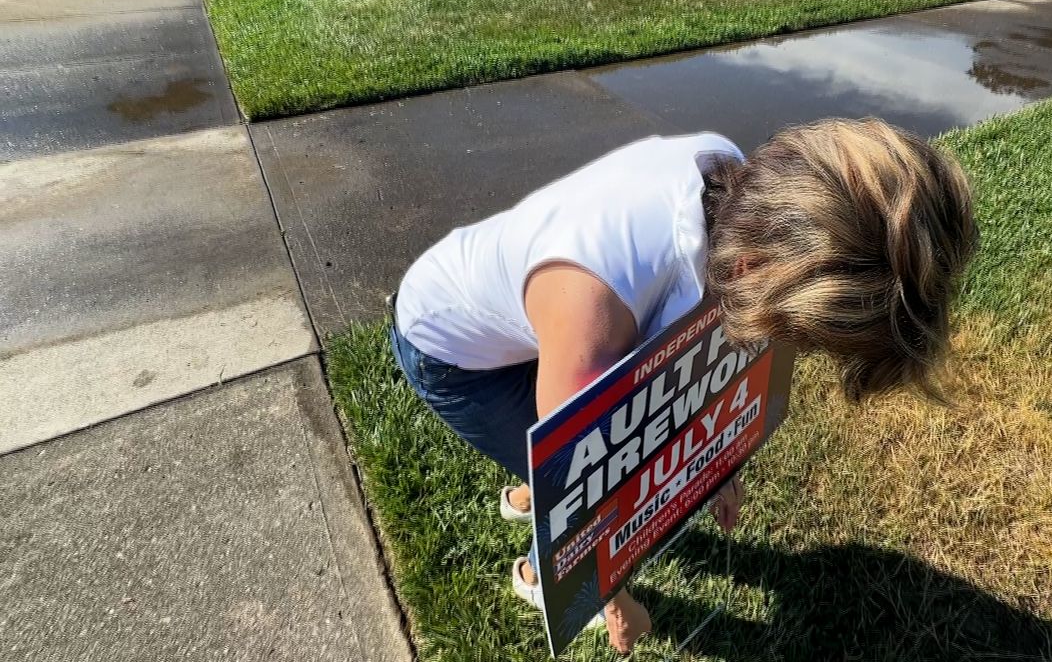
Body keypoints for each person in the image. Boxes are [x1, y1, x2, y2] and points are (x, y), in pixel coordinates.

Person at [389, 118, 977, 653]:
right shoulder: (594, 309)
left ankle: (518, 476)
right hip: (449, 352)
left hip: (541, 324)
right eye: (803, 336)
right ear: (752, 270)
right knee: (551, 461)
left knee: (553, 421)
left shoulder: (730, 179)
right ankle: (537, 577)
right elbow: (579, 493)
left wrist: (717, 464)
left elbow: (703, 358)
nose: (798, 349)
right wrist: (611, 602)